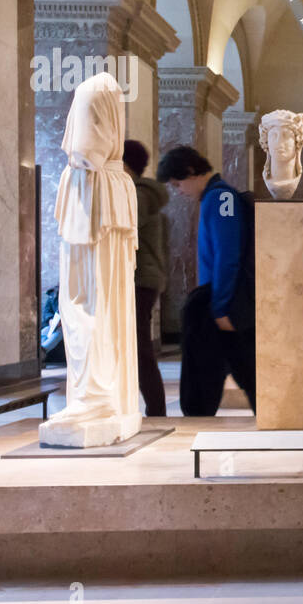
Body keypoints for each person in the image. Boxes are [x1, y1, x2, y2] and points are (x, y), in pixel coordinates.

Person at [156, 146, 256, 416]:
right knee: (243, 368)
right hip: (220, 300)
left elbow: (228, 254)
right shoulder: (216, 197)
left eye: (178, 184)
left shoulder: (220, 197)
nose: (179, 191)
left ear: (190, 172)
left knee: (222, 370)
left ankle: (197, 422)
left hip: (222, 301)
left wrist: (221, 307)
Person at [124, 140, 168, 417]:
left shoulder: (137, 195)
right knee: (138, 347)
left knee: (140, 348)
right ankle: (153, 408)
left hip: (140, 279)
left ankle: (156, 410)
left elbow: (128, 228)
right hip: (145, 278)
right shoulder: (141, 192)